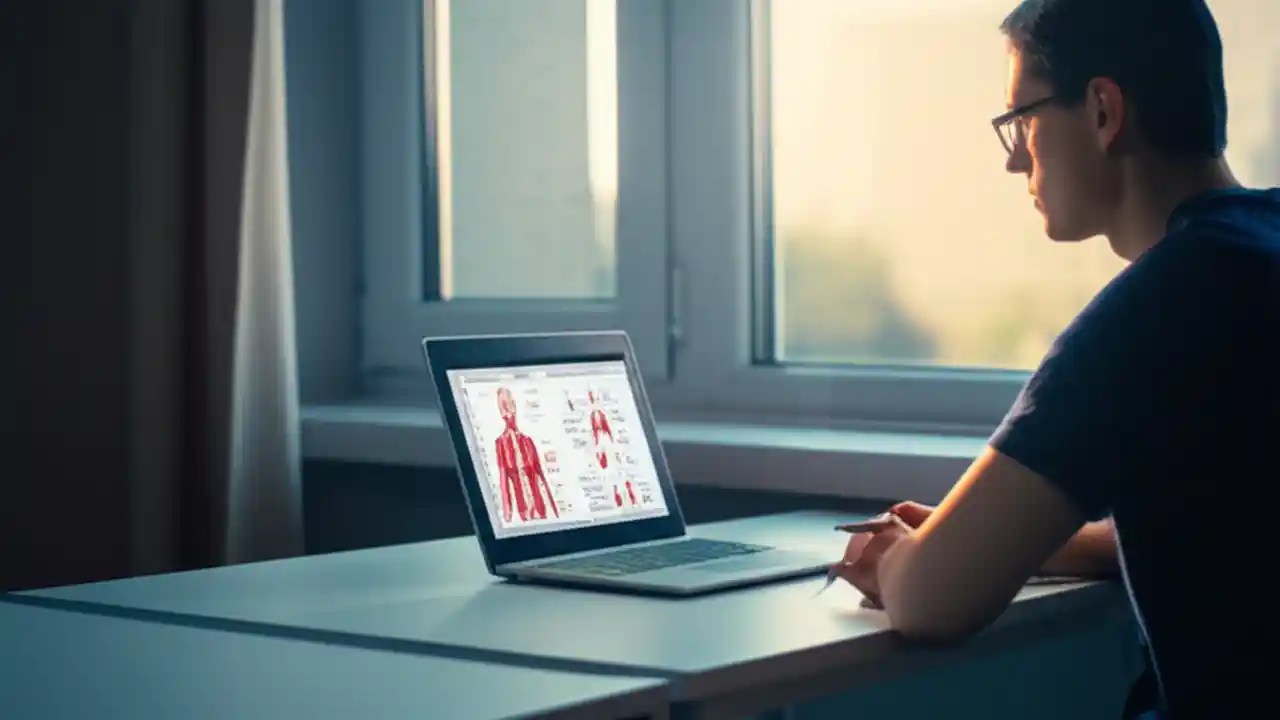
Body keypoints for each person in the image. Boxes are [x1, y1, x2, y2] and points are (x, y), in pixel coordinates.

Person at [828, 1, 1279, 718]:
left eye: (1024, 119)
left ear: (1103, 111)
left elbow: (930, 601)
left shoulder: (1163, 304)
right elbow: (1230, 528)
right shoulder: (1260, 250)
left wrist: (892, 555)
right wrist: (1011, 538)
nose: (1013, 158)